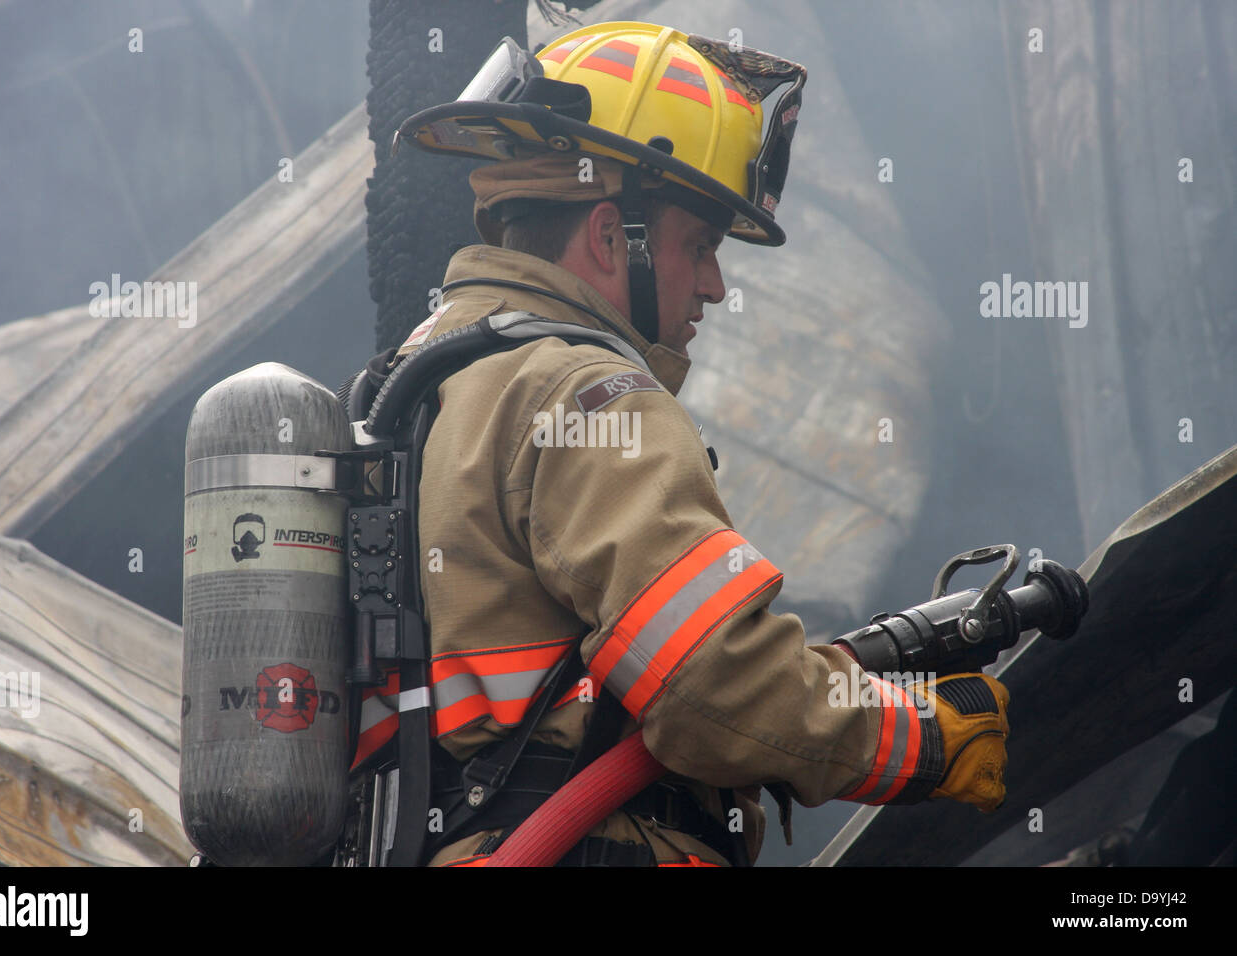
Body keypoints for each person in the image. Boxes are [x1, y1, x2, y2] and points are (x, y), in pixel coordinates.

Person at [360, 21, 1010, 866]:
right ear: (608, 236)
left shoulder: (402, 391)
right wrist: (924, 736)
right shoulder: (588, 394)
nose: (714, 284)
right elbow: (712, 680)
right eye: (698, 246)